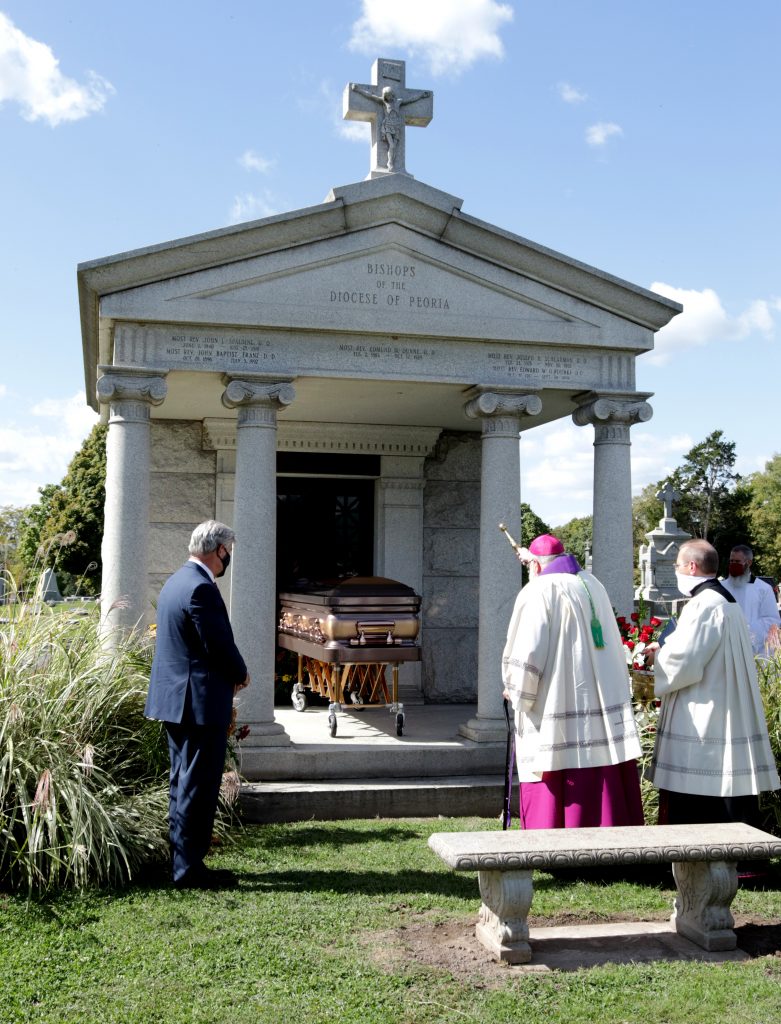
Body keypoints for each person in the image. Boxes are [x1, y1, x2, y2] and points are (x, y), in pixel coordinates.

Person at [501, 533, 644, 828]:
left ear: (537, 565)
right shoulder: (592, 583)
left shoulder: (538, 591)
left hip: (558, 700)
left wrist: (517, 690)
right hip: (600, 699)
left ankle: (554, 839)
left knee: (555, 756)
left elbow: (530, 649)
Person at [644, 539, 779, 827]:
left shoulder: (704, 604)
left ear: (691, 567)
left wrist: (658, 656)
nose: (677, 570)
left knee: (702, 780)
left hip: (706, 706)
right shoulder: (724, 599)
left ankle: (698, 857)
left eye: (678, 565)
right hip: (724, 700)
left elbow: (685, 661)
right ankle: (742, 858)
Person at [146, 520, 250, 889]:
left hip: (178, 702)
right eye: (229, 553)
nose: (228, 560)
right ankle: (189, 871)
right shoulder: (202, 588)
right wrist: (241, 672)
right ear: (218, 549)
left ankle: (183, 863)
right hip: (198, 704)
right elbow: (217, 643)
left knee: (182, 783)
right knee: (198, 786)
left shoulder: (177, 581)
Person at [350, 83, 431, 171]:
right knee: (391, 145)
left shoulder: (398, 102)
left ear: (392, 95)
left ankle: (391, 161)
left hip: (396, 127)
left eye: (389, 95)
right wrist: (358, 90)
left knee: (394, 147)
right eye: (386, 96)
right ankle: (390, 163)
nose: (388, 97)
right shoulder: (384, 102)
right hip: (388, 126)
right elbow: (371, 96)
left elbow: (410, 100)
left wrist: (421, 96)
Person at [721, 544, 780, 655]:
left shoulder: (763, 589)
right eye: (731, 561)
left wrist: (747, 633)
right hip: (725, 647)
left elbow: (772, 620)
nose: (733, 565)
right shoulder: (721, 587)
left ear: (749, 563)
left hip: (754, 649)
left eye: (737, 562)